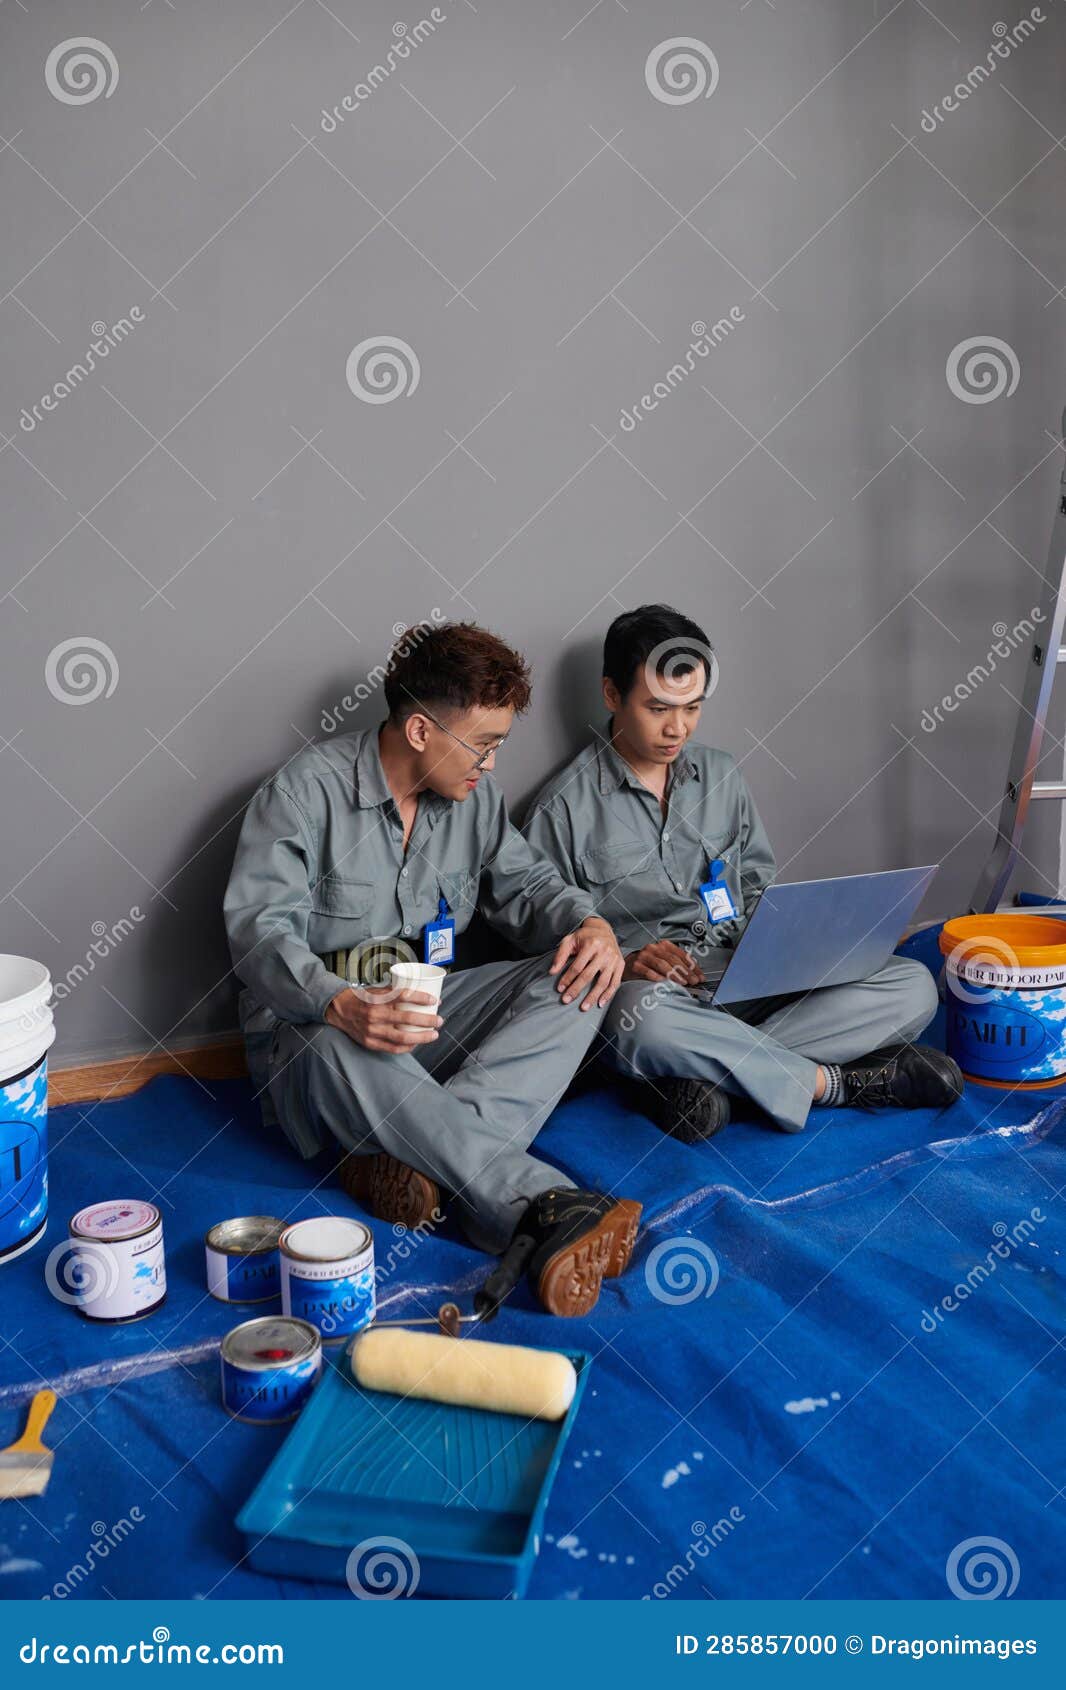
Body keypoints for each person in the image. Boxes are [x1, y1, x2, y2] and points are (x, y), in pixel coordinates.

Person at [224, 621, 640, 1317]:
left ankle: (419, 1161)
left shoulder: (473, 802)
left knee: (580, 974)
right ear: (420, 731)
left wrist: (589, 924)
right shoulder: (302, 792)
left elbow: (530, 886)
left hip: (426, 1026)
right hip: (316, 1040)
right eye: (483, 745)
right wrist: (338, 1002)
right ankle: (537, 1201)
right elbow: (256, 934)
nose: (491, 764)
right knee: (327, 1034)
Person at [523, 604, 963, 1143]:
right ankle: (828, 1081)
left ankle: (710, 1079)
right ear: (612, 695)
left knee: (912, 985)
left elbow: (754, 887)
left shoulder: (721, 774)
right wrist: (631, 961)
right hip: (657, 1001)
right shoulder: (560, 809)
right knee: (639, 1023)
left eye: (692, 707)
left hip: (745, 976)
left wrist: (799, 942)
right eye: (658, 708)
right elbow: (545, 951)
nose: (676, 728)